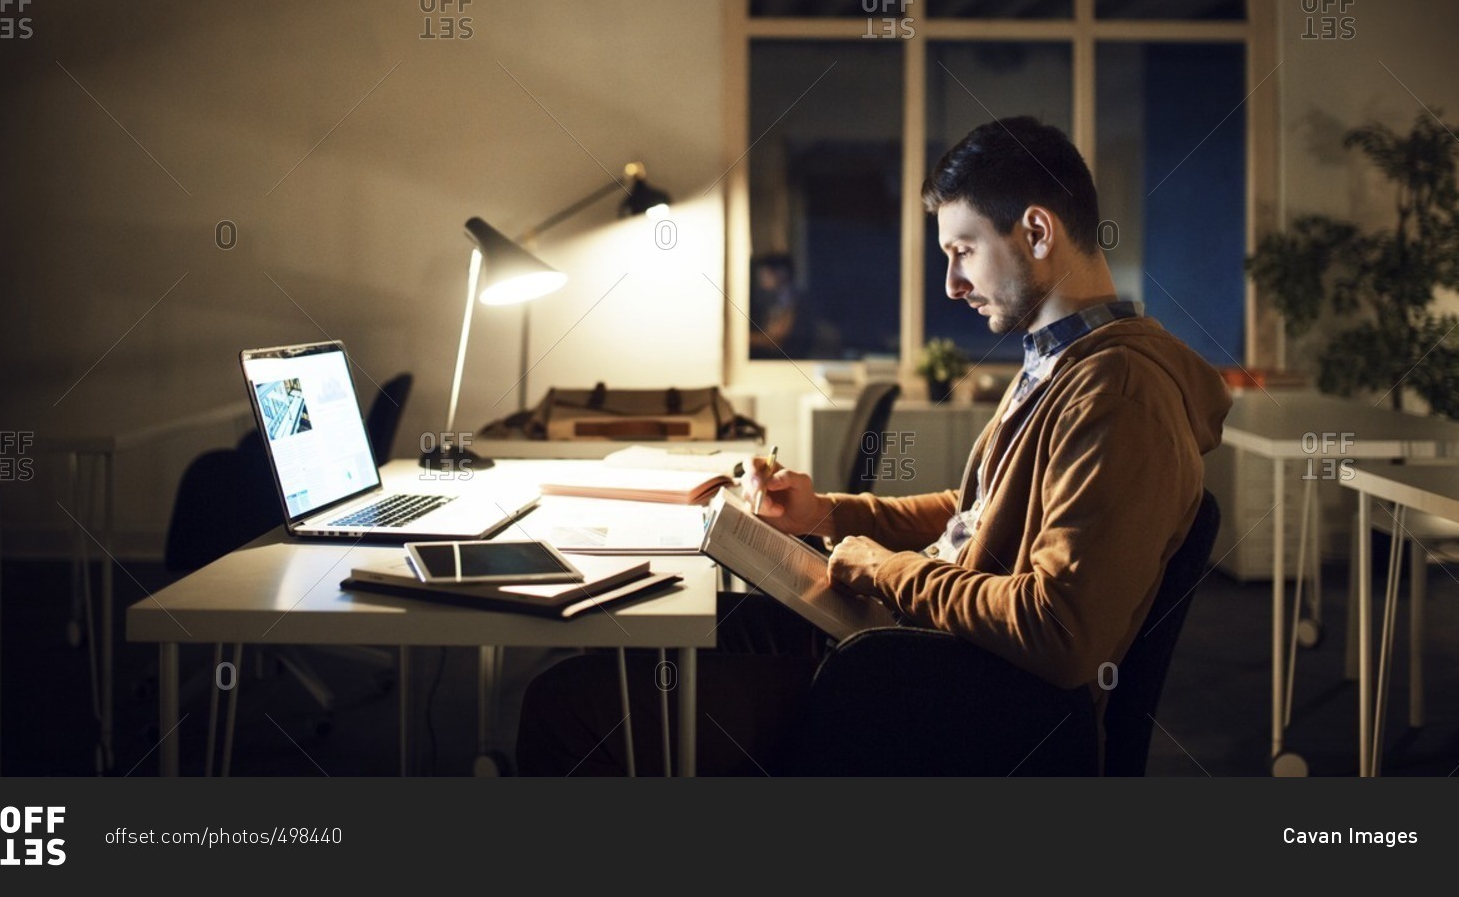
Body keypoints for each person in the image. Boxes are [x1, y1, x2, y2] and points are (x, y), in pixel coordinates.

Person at [513, 115, 1231, 776]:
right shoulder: (1064, 360)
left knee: (569, 704)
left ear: (1037, 232)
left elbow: (1062, 631)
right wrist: (827, 515)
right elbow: (978, 511)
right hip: (915, 659)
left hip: (955, 709)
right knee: (645, 639)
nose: (951, 284)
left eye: (963, 251)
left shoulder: (1119, 394)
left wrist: (887, 572)